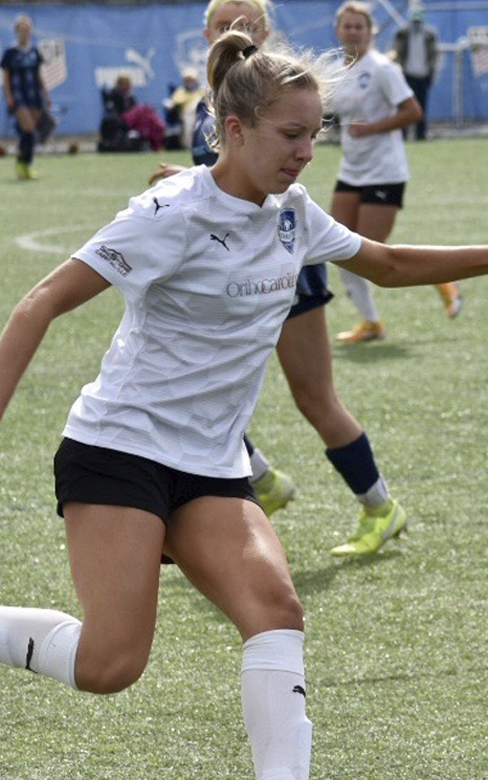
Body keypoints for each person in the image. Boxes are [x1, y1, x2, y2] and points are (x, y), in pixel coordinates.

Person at [0, 27, 488, 780]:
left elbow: (383, 262)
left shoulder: (293, 218)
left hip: (211, 467)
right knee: (109, 664)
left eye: (317, 136)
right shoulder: (170, 213)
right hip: (118, 449)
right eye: (290, 135)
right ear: (233, 129)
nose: (307, 153)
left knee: (274, 608)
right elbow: (40, 301)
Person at [152, 0, 407, 557]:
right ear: (207, 32)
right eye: (226, 24)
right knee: (192, 386)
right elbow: (222, 179)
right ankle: (260, 481)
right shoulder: (206, 103)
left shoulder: (279, 99)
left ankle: (379, 505)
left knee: (314, 397)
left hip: (282, 267)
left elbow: (264, 184)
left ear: (268, 33)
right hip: (223, 271)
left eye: (248, 24)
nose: (236, 32)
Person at [329, 0, 461, 343]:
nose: (353, 32)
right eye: (348, 26)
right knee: (339, 249)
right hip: (351, 168)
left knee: (375, 256)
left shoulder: (383, 68)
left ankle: (440, 278)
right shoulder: (336, 69)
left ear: (371, 31)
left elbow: (413, 111)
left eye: (360, 26)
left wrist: (372, 128)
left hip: (385, 170)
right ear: (338, 30)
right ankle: (372, 323)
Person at [1, 15, 49, 181]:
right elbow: (6, 77)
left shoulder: (34, 51)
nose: (25, 33)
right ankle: (22, 163)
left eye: (27, 29)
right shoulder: (10, 53)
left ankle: (24, 163)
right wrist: (8, 95)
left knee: (28, 132)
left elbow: (38, 75)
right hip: (18, 95)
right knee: (28, 128)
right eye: (22, 29)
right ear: (16, 31)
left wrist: (46, 94)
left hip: (33, 94)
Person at [391, 7, 440, 141]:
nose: (417, 24)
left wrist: (432, 70)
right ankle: (403, 135)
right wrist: (399, 68)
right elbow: (396, 51)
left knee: (422, 106)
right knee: (404, 107)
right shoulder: (403, 33)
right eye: (415, 22)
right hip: (407, 75)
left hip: (423, 75)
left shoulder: (429, 35)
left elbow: (435, 54)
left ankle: (420, 135)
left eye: (419, 22)